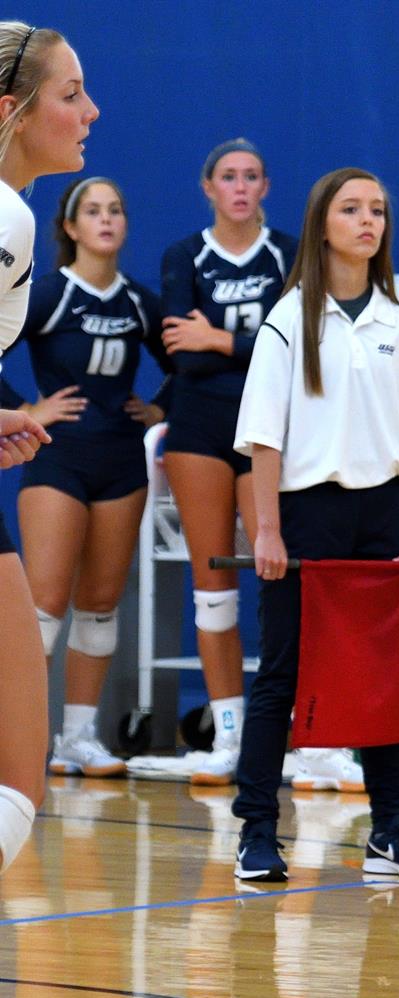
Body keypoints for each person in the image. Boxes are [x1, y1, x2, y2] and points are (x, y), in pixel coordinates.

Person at [228, 167, 399, 882]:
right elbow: (264, 436)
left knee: (385, 677)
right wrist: (267, 529)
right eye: (352, 208)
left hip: (381, 514)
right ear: (322, 222)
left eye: (378, 211)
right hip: (306, 514)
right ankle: (257, 832)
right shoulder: (287, 321)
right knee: (283, 674)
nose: (367, 221)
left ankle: (388, 828)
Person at [127, 139, 299, 785]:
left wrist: (221, 336)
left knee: (277, 578)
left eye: (251, 175)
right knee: (212, 589)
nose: (239, 186)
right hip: (198, 426)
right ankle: (229, 735)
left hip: (267, 431)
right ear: (207, 187)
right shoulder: (184, 255)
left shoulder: (285, 252)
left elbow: (292, 348)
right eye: (228, 176)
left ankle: (293, 732)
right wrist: (235, 348)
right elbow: (184, 357)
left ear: (266, 186)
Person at [4, 176, 167, 780]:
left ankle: (78, 736)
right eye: (92, 211)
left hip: (122, 462)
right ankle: (17, 741)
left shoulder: (139, 303)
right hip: (57, 458)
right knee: (44, 602)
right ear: (70, 227)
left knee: (99, 602)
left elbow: (186, 365)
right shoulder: (47, 294)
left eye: (115, 210)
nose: (106, 220)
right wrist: (26, 410)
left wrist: (160, 408)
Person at [0, 21, 98, 876]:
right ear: (12, 112)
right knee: (16, 790)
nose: (91, 112)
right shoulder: (7, 217)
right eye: (70, 95)